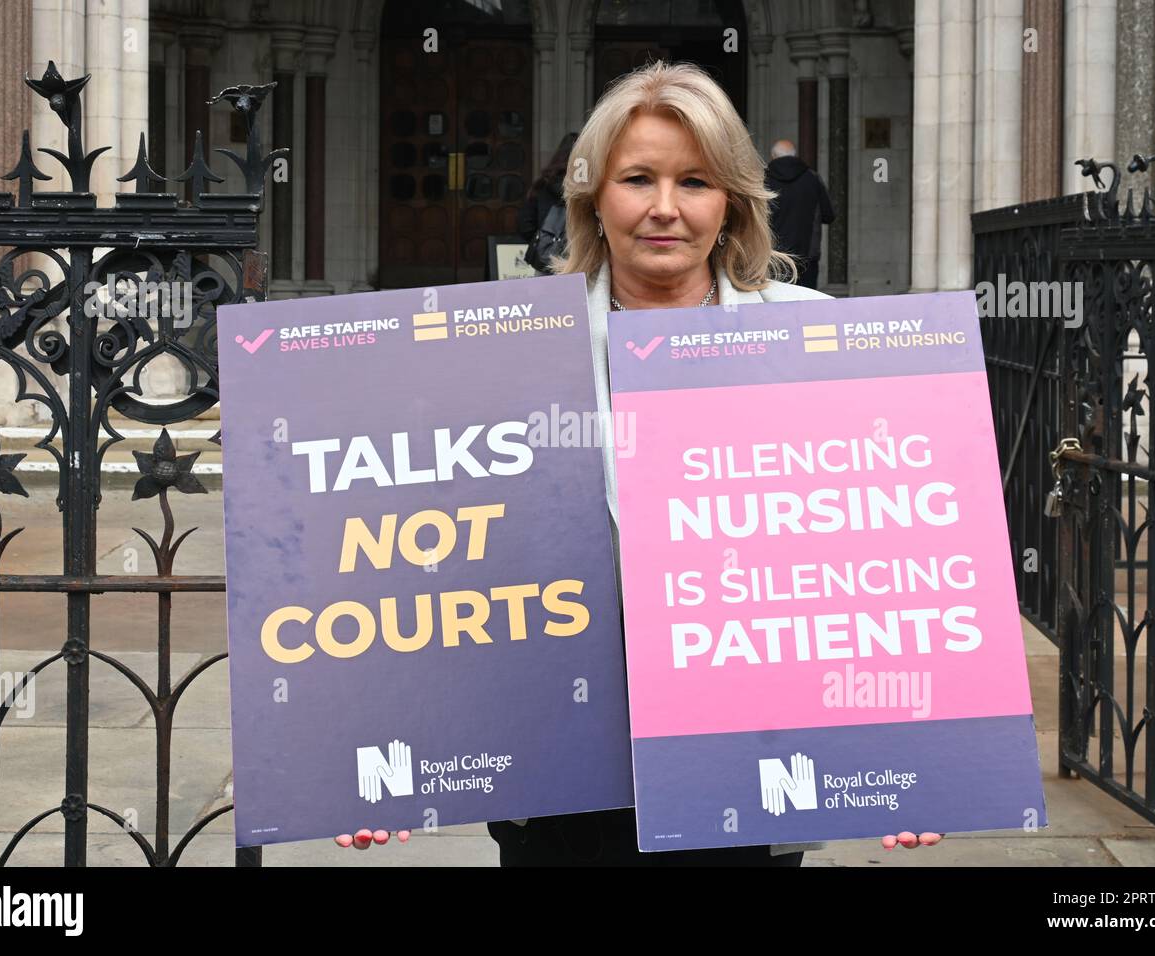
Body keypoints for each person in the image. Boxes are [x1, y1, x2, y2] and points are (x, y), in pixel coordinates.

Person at [336, 60, 943, 864]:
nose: (665, 208)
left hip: (749, 754)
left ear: (730, 199)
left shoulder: (815, 341)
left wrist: (905, 763)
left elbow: (886, 566)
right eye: (637, 179)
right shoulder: (504, 353)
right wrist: (383, 755)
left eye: (693, 180)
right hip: (556, 760)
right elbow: (422, 566)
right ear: (593, 197)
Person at [764, 139, 835, 290]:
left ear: (773, 156)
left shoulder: (762, 180)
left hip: (772, 257)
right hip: (807, 258)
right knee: (806, 308)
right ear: (795, 156)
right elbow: (829, 215)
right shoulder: (812, 178)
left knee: (774, 307)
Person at [516, 132, 577, 274]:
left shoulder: (543, 184)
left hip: (546, 259)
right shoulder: (586, 187)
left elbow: (524, 224)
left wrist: (544, 239)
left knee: (543, 296)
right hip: (579, 260)